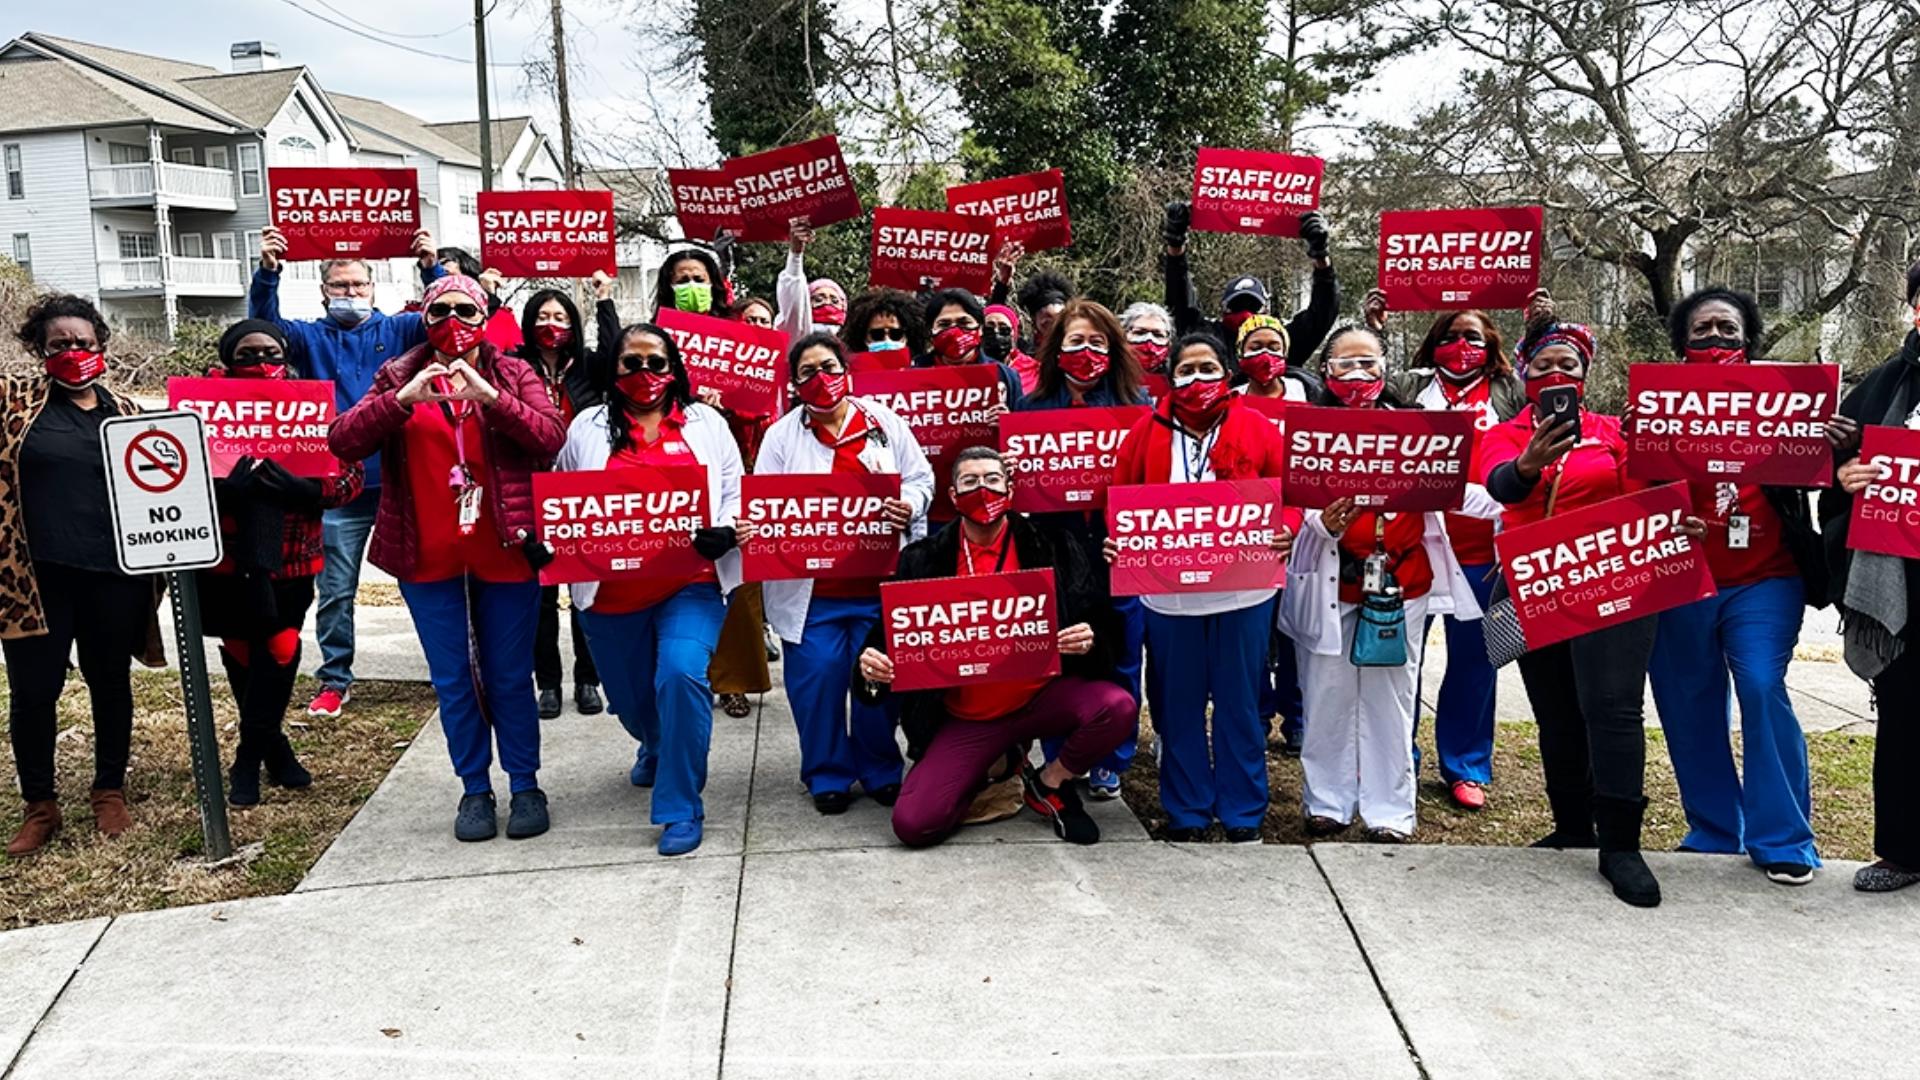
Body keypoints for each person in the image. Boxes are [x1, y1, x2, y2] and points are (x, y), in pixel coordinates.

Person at [328, 274, 567, 843]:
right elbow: (343, 440)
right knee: (455, 680)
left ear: (484, 317)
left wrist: (491, 399)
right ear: (424, 320)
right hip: (427, 558)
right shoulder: (398, 374)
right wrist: (399, 403)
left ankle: (526, 784)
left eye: (465, 310)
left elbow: (549, 436)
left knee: (510, 677)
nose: (452, 322)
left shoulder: (513, 372)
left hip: (504, 552)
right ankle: (475, 789)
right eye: (440, 312)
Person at [1478, 319, 1705, 908]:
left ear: (1585, 376)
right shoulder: (1504, 434)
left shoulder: (1613, 432)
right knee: (1556, 712)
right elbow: (1501, 486)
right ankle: (1574, 826)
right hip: (1539, 583)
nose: (1556, 373)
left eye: (1569, 366)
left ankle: (1622, 846)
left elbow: (1647, 493)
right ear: (1525, 374)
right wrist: (1528, 464)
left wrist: (1671, 506)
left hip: (1615, 577)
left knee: (1612, 706)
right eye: (1544, 365)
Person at [1644, 288, 1834, 885]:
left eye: (1728, 328)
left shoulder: (1787, 401)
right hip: (1681, 576)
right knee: (1688, 702)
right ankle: (1714, 830)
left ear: (1748, 338)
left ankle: (1784, 839)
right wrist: (1636, 445)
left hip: (1765, 577)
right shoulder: (1656, 405)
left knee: (1760, 685)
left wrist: (1837, 442)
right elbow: (1633, 491)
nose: (1716, 338)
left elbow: (1824, 474)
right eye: (1702, 329)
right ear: (1682, 343)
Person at [855, 447, 1137, 847]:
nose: (982, 490)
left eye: (992, 479)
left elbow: (1103, 622)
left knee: (1117, 706)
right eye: (970, 482)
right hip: (967, 716)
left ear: (1010, 489)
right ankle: (999, 765)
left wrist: (1090, 639)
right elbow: (884, 638)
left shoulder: (1053, 545)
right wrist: (871, 667)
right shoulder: (921, 559)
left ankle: (1050, 782)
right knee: (915, 825)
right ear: (953, 496)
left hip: (1040, 699)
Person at [1279, 327, 1494, 842]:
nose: (1358, 375)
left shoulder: (1419, 428)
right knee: (1326, 693)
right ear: (1326, 371)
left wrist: (1512, 498)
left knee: (1392, 696)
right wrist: (1320, 524)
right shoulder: (1307, 433)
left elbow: (1454, 489)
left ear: (1385, 366)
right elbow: (1288, 504)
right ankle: (1326, 802)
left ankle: (1390, 811)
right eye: (1345, 364)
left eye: (1368, 363)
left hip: (1402, 584)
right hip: (1332, 581)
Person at [556, 322, 746, 856]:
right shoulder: (587, 427)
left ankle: (681, 805)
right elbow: (563, 495)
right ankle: (656, 743)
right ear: (613, 369)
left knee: (681, 676)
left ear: (674, 367)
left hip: (692, 583)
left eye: (656, 362)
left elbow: (734, 490)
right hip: (610, 595)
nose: (645, 373)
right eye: (631, 363)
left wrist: (726, 527)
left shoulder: (707, 423)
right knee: (631, 702)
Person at [249, 223, 444, 720]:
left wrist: (431, 267)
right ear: (324, 291)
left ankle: (447, 672)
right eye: (340, 286)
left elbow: (445, 316)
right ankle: (335, 678)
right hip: (340, 489)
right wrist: (268, 273)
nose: (350, 293)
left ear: (373, 288)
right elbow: (262, 330)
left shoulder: (400, 330)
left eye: (358, 284)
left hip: (401, 481)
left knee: (426, 584)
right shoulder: (309, 337)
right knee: (336, 590)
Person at [1108, 332, 1297, 841]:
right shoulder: (1145, 431)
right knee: (1178, 706)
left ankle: (1242, 812)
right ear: (1170, 379)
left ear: (1227, 373)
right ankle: (1187, 810)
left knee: (1240, 704)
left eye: (1208, 368)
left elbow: (1290, 492)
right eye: (1186, 370)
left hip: (1245, 593)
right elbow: (1120, 498)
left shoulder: (1257, 427)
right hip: (1169, 598)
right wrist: (1118, 540)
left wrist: (1288, 528)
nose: (1197, 379)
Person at [2, 295, 154, 855]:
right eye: (60, 343)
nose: (73, 351)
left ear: (101, 346)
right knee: (34, 691)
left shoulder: (130, 412)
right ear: (39, 350)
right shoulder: (12, 404)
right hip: (33, 578)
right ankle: (40, 806)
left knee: (110, 682)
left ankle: (109, 790)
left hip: (114, 573)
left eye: (83, 342)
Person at [757, 333, 934, 813]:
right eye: (808, 372)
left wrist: (910, 503)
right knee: (817, 684)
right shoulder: (781, 437)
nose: (821, 379)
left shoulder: (885, 422)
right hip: (813, 595)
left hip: (880, 584)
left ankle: (880, 769)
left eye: (829, 367)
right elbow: (766, 506)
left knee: (878, 684)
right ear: (794, 384)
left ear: (846, 372)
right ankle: (827, 773)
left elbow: (921, 477)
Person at [195, 321, 366, 805]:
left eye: (271, 353)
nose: (261, 362)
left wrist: (307, 488)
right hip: (226, 561)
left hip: (291, 559)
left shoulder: (313, 408)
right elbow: (175, 479)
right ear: (228, 360)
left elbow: (350, 477)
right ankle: (273, 747)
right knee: (241, 652)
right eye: (247, 355)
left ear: (286, 356)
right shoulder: (200, 409)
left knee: (281, 648)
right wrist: (222, 491)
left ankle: (247, 758)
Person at [1384, 303, 1526, 811]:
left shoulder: (1509, 392)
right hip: (1417, 542)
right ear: (1434, 343)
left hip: (1483, 548)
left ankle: (1465, 764)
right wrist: (1377, 328)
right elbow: (1367, 395)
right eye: (1451, 336)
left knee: (1475, 660)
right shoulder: (1411, 387)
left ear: (1491, 347)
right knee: (1402, 659)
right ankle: (1397, 757)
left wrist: (1540, 327)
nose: (1461, 346)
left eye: (1473, 337)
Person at [1015, 298, 1150, 799]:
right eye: (1076, 341)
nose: (1087, 351)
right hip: (1057, 547)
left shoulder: (1138, 406)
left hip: (1118, 549)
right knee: (1062, 654)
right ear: (1056, 349)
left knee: (1122, 653)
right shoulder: (1030, 408)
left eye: (1097, 342)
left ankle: (1112, 756)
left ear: (1113, 350)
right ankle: (1061, 755)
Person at [1819, 259, 1920, 893]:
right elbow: (1837, 470)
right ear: (1914, 308)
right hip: (1902, 582)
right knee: (1906, 713)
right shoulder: (1885, 384)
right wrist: (1845, 476)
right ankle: (1905, 850)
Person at [511, 281, 616, 721]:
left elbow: (615, 353)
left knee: (584, 589)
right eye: (542, 317)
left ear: (573, 323)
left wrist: (605, 300)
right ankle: (548, 683)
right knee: (540, 593)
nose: (550, 325)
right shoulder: (514, 365)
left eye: (559, 317)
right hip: (530, 487)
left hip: (580, 490)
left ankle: (588, 678)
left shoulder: (589, 366)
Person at [1162, 203, 1340, 361]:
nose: (1246, 315)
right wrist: (1175, 245)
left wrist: (1321, 257)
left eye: (1254, 307)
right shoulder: (1208, 338)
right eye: (1237, 306)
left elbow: (1322, 314)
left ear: (1266, 311)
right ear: (1224, 309)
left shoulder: (1281, 339)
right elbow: (1180, 302)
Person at [915, 288, 1024, 409]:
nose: (954, 331)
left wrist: (1006, 419)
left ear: (980, 328)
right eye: (944, 324)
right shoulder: (911, 376)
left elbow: (1021, 419)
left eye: (964, 323)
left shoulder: (1006, 376)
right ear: (930, 331)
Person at [772, 216, 848, 341]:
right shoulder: (800, 338)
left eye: (835, 301)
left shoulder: (855, 340)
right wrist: (796, 255)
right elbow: (795, 305)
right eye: (818, 299)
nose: (827, 303)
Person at [1233, 314, 1322, 402]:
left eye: (1274, 348)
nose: (1265, 355)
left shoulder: (1304, 391)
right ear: (1241, 353)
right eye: (1255, 348)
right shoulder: (1232, 398)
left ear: (1284, 353)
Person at [840, 288, 927, 360]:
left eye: (896, 334)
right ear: (863, 338)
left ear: (907, 337)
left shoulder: (921, 371)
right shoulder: (850, 373)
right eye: (877, 335)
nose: (887, 341)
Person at [652, 246, 730, 317]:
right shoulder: (657, 326)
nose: (692, 285)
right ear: (669, 285)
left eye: (699, 280)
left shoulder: (732, 320)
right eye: (682, 281)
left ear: (712, 281)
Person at [984, 303, 1039, 395]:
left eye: (1004, 329)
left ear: (1014, 335)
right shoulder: (969, 367)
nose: (996, 333)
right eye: (989, 329)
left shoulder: (1033, 369)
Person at [1015, 269, 1075, 350]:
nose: (1053, 325)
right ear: (1034, 318)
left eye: (1058, 317)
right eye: (1047, 318)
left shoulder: (1076, 348)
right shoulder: (1024, 351)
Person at [1119, 302, 1174, 378]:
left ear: (1168, 343)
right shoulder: (1107, 378)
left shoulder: (1176, 378)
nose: (1149, 340)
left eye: (1158, 335)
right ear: (1123, 336)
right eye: (1140, 333)